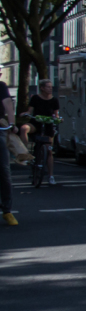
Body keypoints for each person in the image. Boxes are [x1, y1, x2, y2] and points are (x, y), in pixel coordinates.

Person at [21, 79, 59, 185]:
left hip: (48, 126)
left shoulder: (54, 100)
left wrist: (58, 118)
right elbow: (30, 111)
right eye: (48, 87)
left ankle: (51, 176)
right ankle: (25, 154)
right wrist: (26, 113)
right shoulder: (36, 98)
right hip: (36, 123)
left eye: (51, 87)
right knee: (24, 128)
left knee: (49, 151)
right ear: (42, 88)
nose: (50, 88)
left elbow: (56, 114)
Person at [0, 79, 16, 225]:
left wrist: (12, 123)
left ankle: (7, 211)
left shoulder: (1, 86)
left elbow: (7, 104)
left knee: (4, 170)